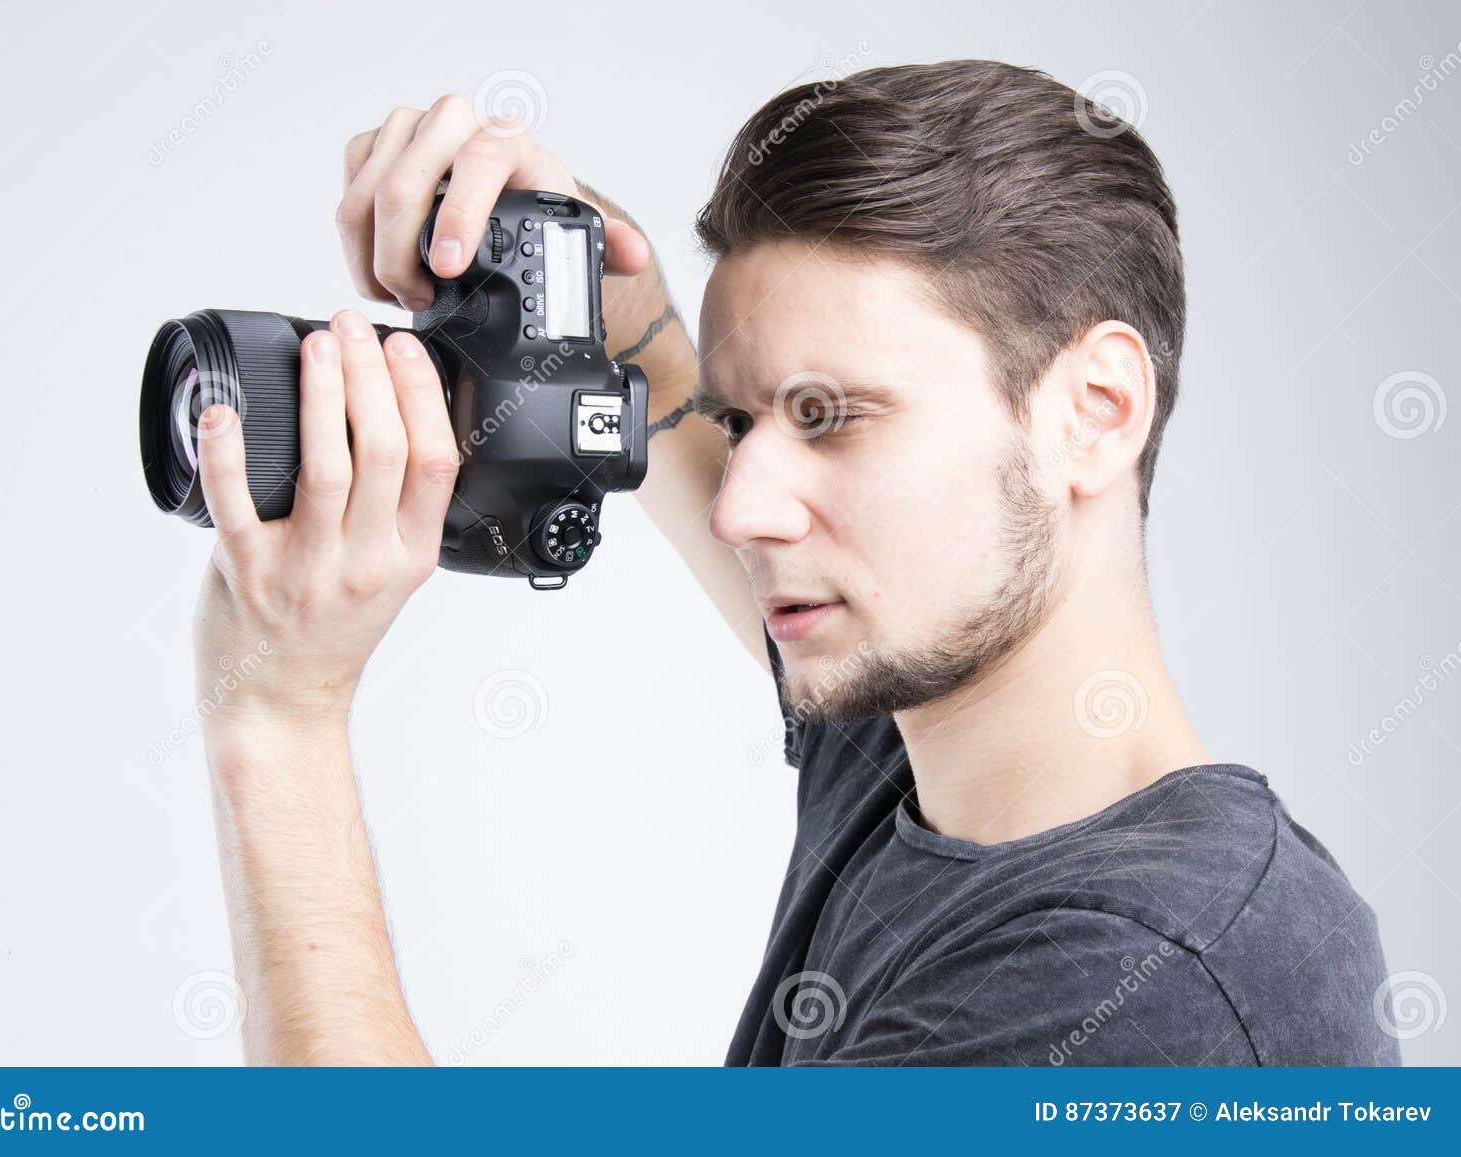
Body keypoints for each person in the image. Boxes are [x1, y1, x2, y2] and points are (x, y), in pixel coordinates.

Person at [188, 60, 1397, 1066]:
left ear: (1093, 408)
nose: (742, 512)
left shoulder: (1140, 977)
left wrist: (280, 717)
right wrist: (569, 292)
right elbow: (662, 401)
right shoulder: (917, 738)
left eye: (829, 416)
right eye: (741, 423)